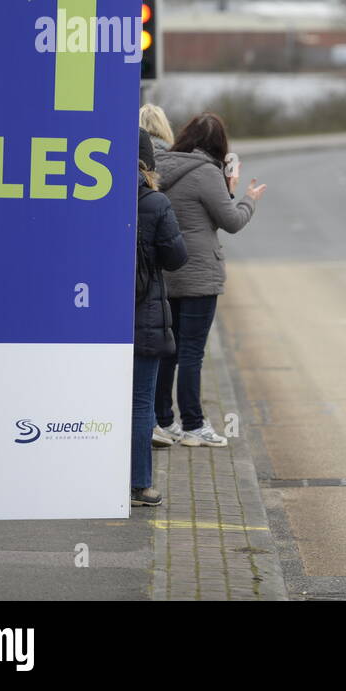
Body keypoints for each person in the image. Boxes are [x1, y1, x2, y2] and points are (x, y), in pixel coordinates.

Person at [153, 113, 266, 447]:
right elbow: (230, 222)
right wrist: (248, 199)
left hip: (165, 270)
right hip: (200, 274)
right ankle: (193, 426)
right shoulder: (206, 172)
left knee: (167, 352)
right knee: (192, 353)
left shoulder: (159, 166)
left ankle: (163, 421)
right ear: (219, 145)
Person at [133, 130, 188, 506]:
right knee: (140, 402)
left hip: (90, 317)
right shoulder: (154, 202)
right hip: (144, 316)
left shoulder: (86, 194)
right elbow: (177, 257)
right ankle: (139, 485)